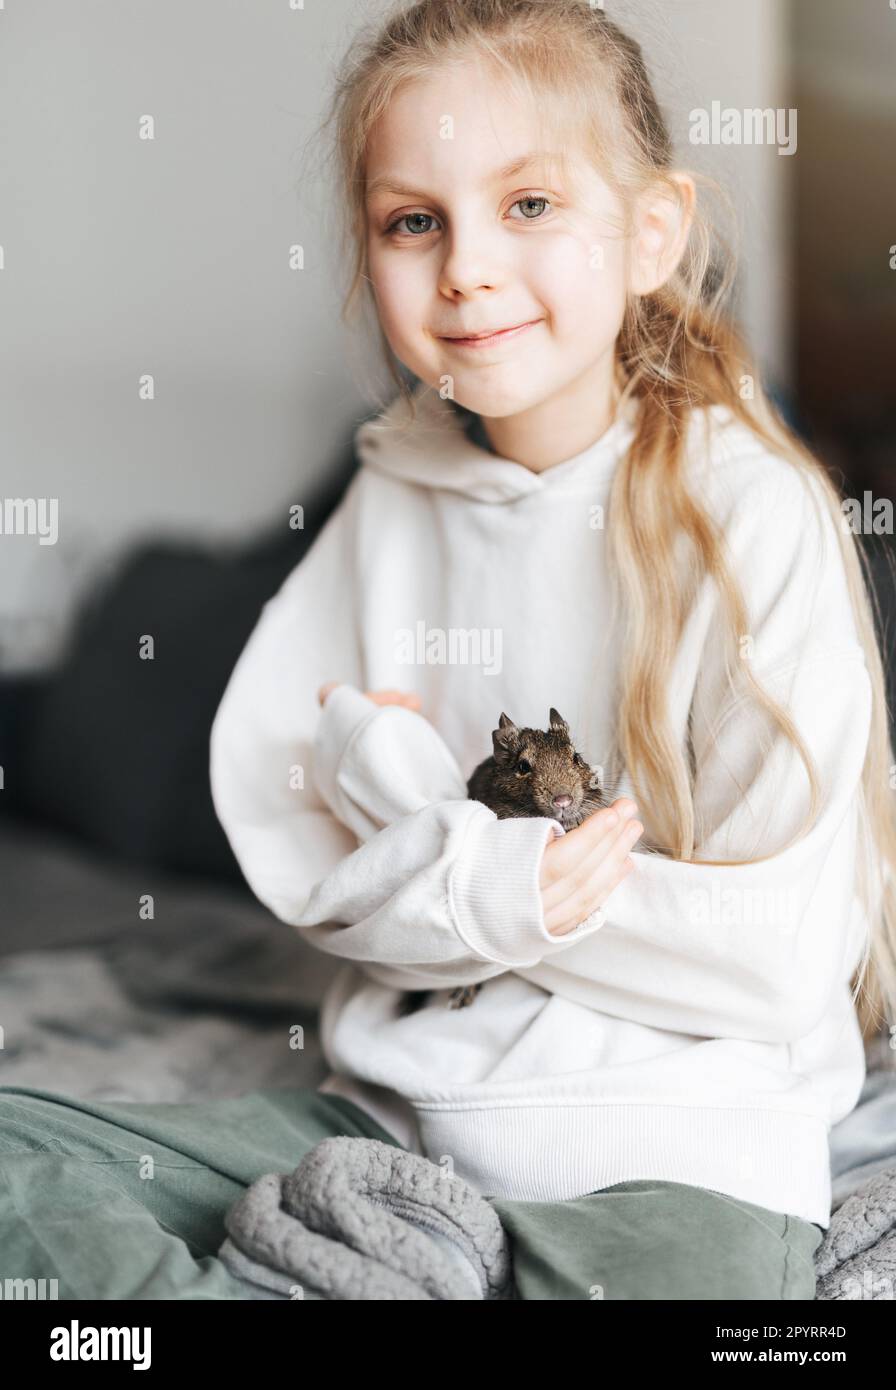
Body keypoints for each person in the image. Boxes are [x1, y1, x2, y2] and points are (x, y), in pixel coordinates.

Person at [2, 0, 895, 1301]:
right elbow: (300, 854)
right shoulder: (394, 489)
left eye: (528, 204)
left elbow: (766, 954)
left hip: (666, 1150)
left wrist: (445, 855)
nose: (466, 266)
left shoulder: (749, 508)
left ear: (651, 231)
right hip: (394, 1126)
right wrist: (489, 877)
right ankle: (391, 1260)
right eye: (414, 221)